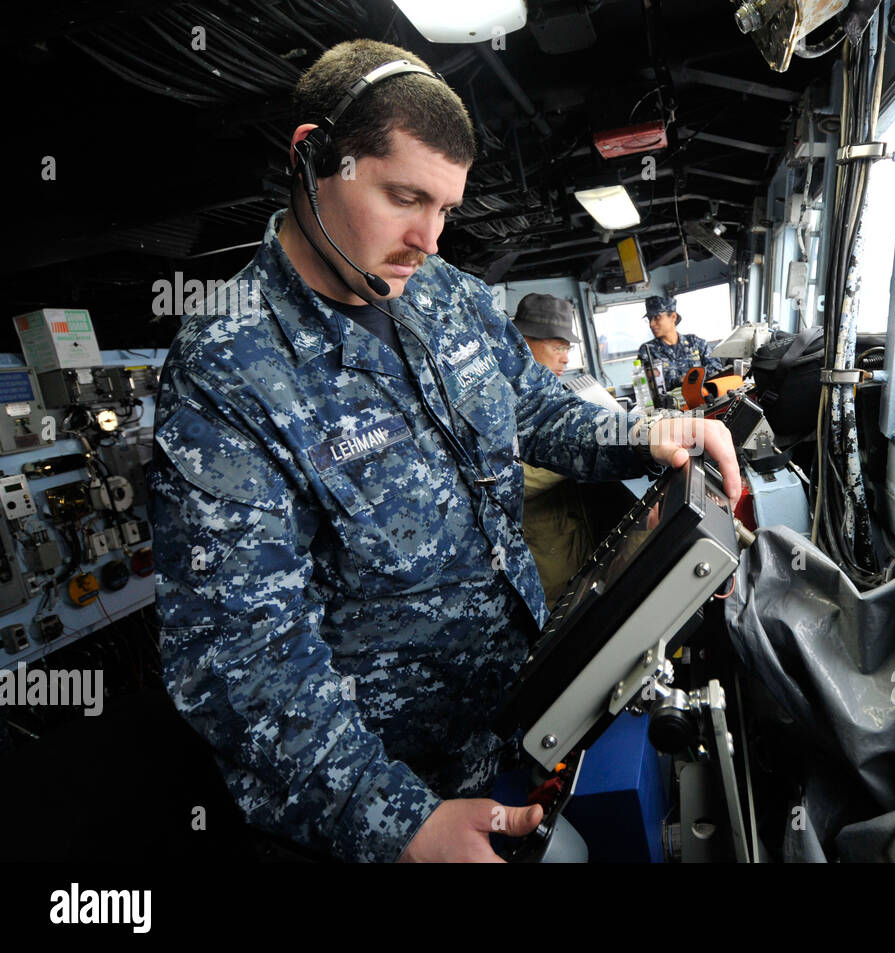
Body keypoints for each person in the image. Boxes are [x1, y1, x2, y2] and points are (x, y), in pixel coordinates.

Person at [146, 39, 740, 864]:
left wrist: (645, 435)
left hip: (515, 720)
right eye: (404, 197)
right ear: (315, 156)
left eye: (446, 210)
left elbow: (536, 412)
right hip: (388, 790)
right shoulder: (226, 372)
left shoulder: (448, 297)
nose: (429, 238)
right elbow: (241, 662)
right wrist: (400, 823)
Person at [510, 293, 597, 606]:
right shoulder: (498, 396)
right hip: (543, 559)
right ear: (523, 341)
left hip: (571, 540)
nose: (566, 358)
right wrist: (583, 452)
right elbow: (507, 480)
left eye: (568, 349)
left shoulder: (547, 392)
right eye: (558, 347)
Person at [636, 294, 726, 392]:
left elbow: (716, 369)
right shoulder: (647, 351)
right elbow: (650, 385)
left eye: (657, 318)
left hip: (703, 398)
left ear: (673, 317)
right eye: (649, 319)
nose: (651, 324)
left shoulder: (695, 343)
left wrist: (687, 379)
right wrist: (686, 379)